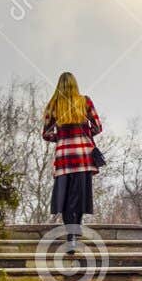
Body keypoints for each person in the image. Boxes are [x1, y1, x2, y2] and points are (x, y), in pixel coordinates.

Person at [41, 71, 102, 253]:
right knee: (80, 196)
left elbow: (46, 134)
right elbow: (98, 127)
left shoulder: (53, 105)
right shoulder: (85, 102)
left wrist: (61, 137)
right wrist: (85, 133)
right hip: (83, 156)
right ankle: (76, 232)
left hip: (64, 158)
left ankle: (70, 236)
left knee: (66, 198)